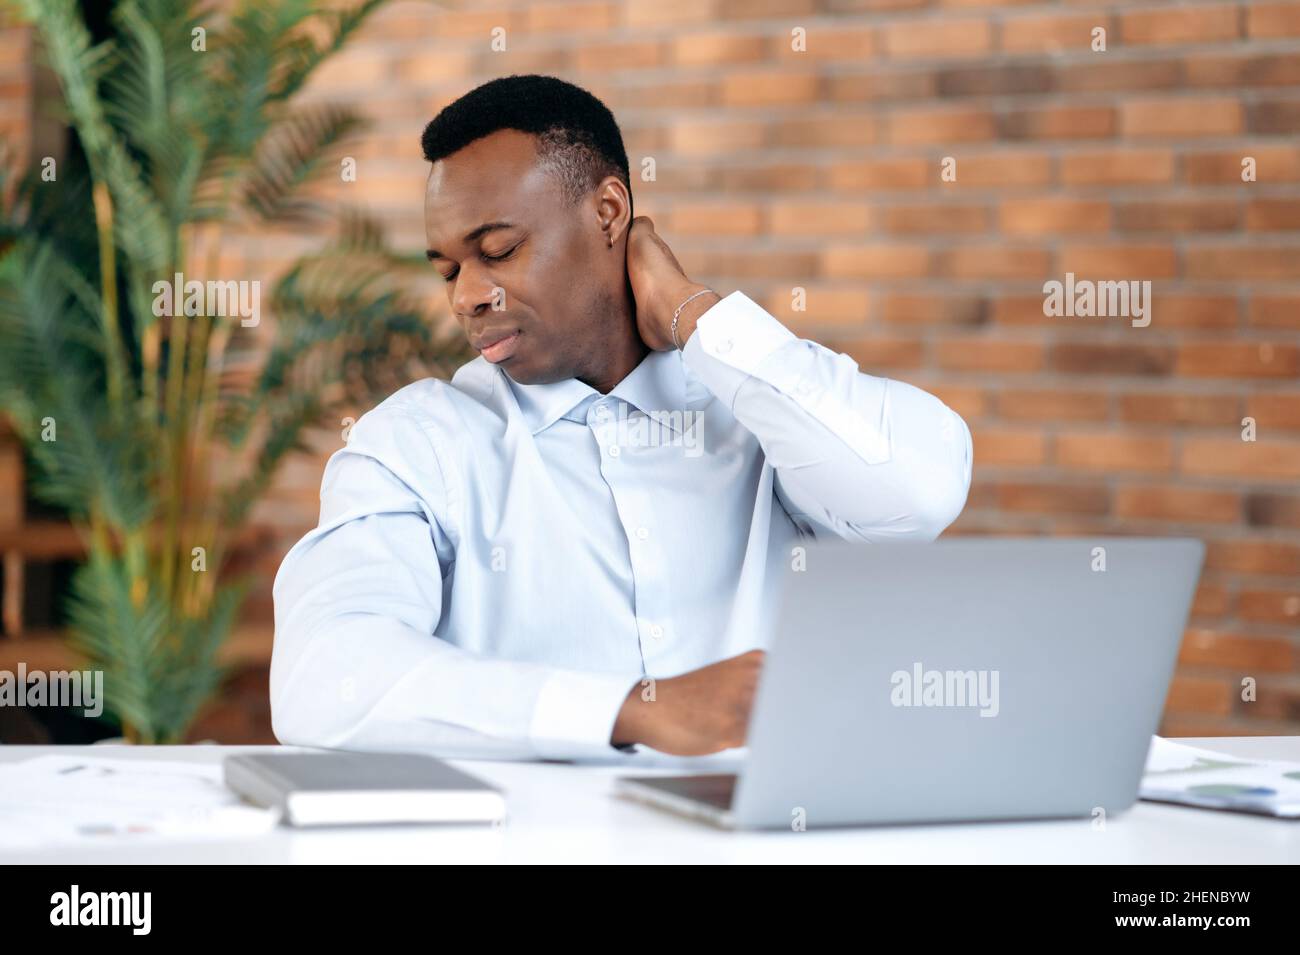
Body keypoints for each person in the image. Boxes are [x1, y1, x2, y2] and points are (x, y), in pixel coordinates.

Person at [271, 74, 973, 760]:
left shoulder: (757, 408)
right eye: (448, 270)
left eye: (497, 251)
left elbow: (918, 491)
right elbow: (325, 679)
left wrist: (692, 312)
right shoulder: (417, 445)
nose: (468, 297)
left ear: (609, 214)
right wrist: (630, 709)